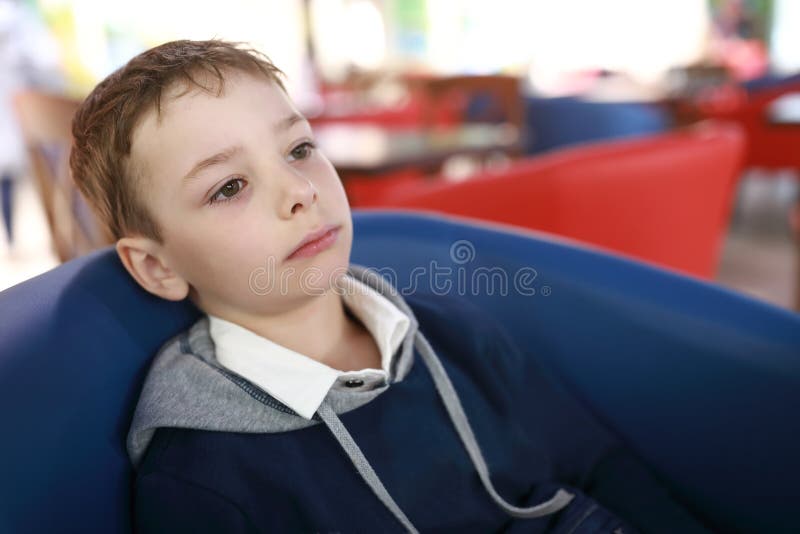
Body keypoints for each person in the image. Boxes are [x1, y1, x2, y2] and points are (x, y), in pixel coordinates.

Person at [70, 39, 712, 533]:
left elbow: (597, 462)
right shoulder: (202, 478)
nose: (300, 191)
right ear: (158, 267)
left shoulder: (452, 330)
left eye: (298, 149)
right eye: (229, 186)